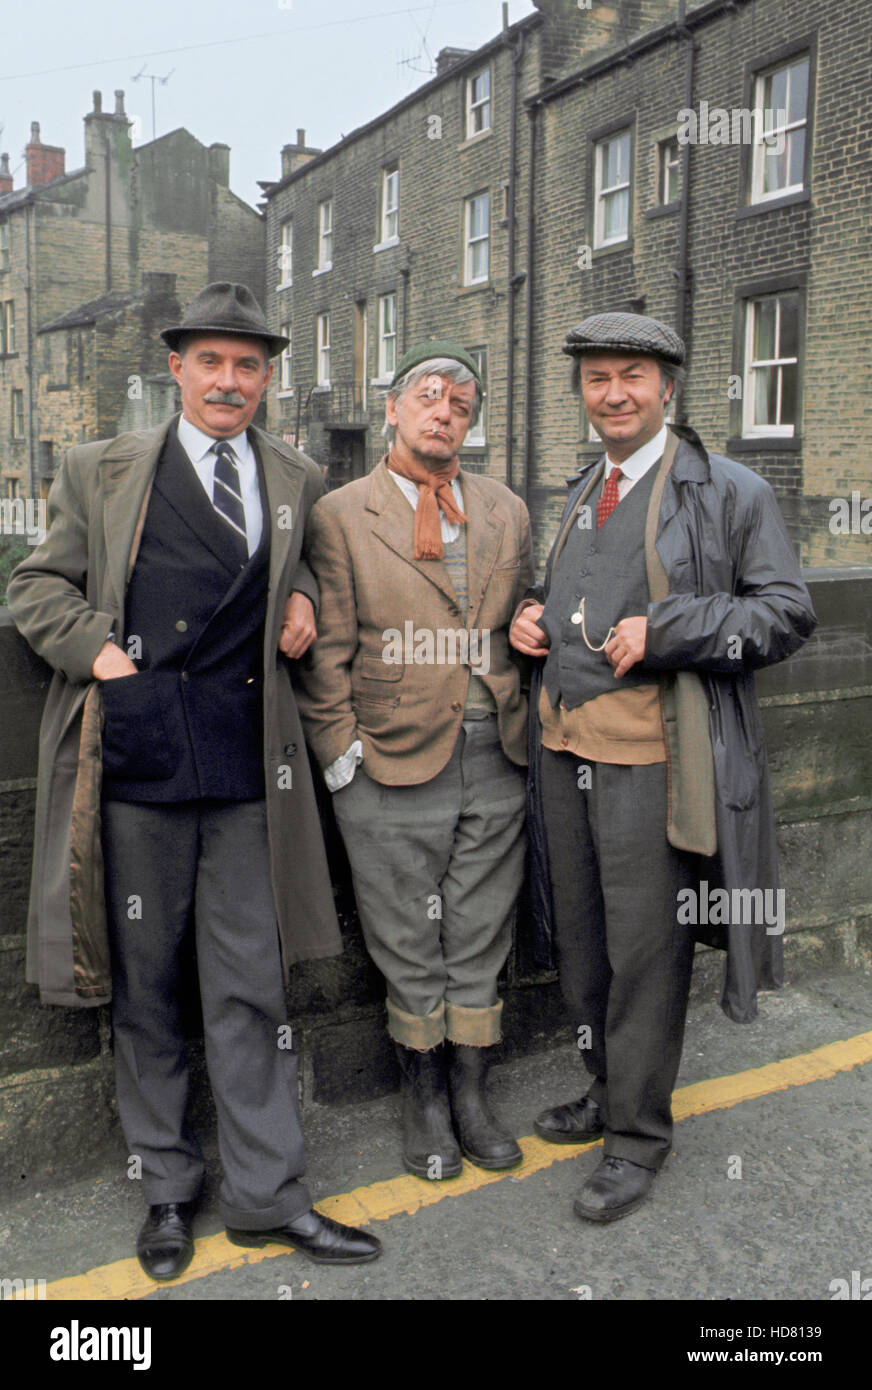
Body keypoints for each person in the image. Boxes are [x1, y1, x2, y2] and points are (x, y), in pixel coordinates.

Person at [7, 282, 381, 1278]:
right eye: (209, 362)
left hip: (248, 764)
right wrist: (102, 655)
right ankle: (168, 1188)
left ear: (267, 377)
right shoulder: (99, 468)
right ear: (175, 369)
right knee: (148, 988)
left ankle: (267, 1195)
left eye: (247, 364)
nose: (228, 381)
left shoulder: (295, 477)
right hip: (137, 763)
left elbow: (309, 573)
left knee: (251, 987)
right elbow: (35, 584)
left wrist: (298, 592)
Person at [510, 312, 816, 1222]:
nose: (614, 393)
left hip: (655, 762)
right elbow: (574, 595)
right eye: (598, 378)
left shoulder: (730, 491)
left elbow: (788, 613)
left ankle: (638, 1140)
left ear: (669, 388)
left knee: (646, 953)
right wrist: (531, 618)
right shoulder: (578, 490)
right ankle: (608, 1091)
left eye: (632, 377)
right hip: (565, 753)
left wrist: (675, 627)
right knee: (584, 943)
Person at [296, 341, 533, 1179]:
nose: (443, 414)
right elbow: (323, 650)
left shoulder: (504, 507)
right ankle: (424, 1099)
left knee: (479, 934)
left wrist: (532, 617)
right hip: (388, 762)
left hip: (494, 754)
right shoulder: (339, 512)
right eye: (427, 398)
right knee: (405, 940)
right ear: (393, 409)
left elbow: (525, 604)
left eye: (459, 406)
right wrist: (340, 755)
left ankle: (471, 1093)